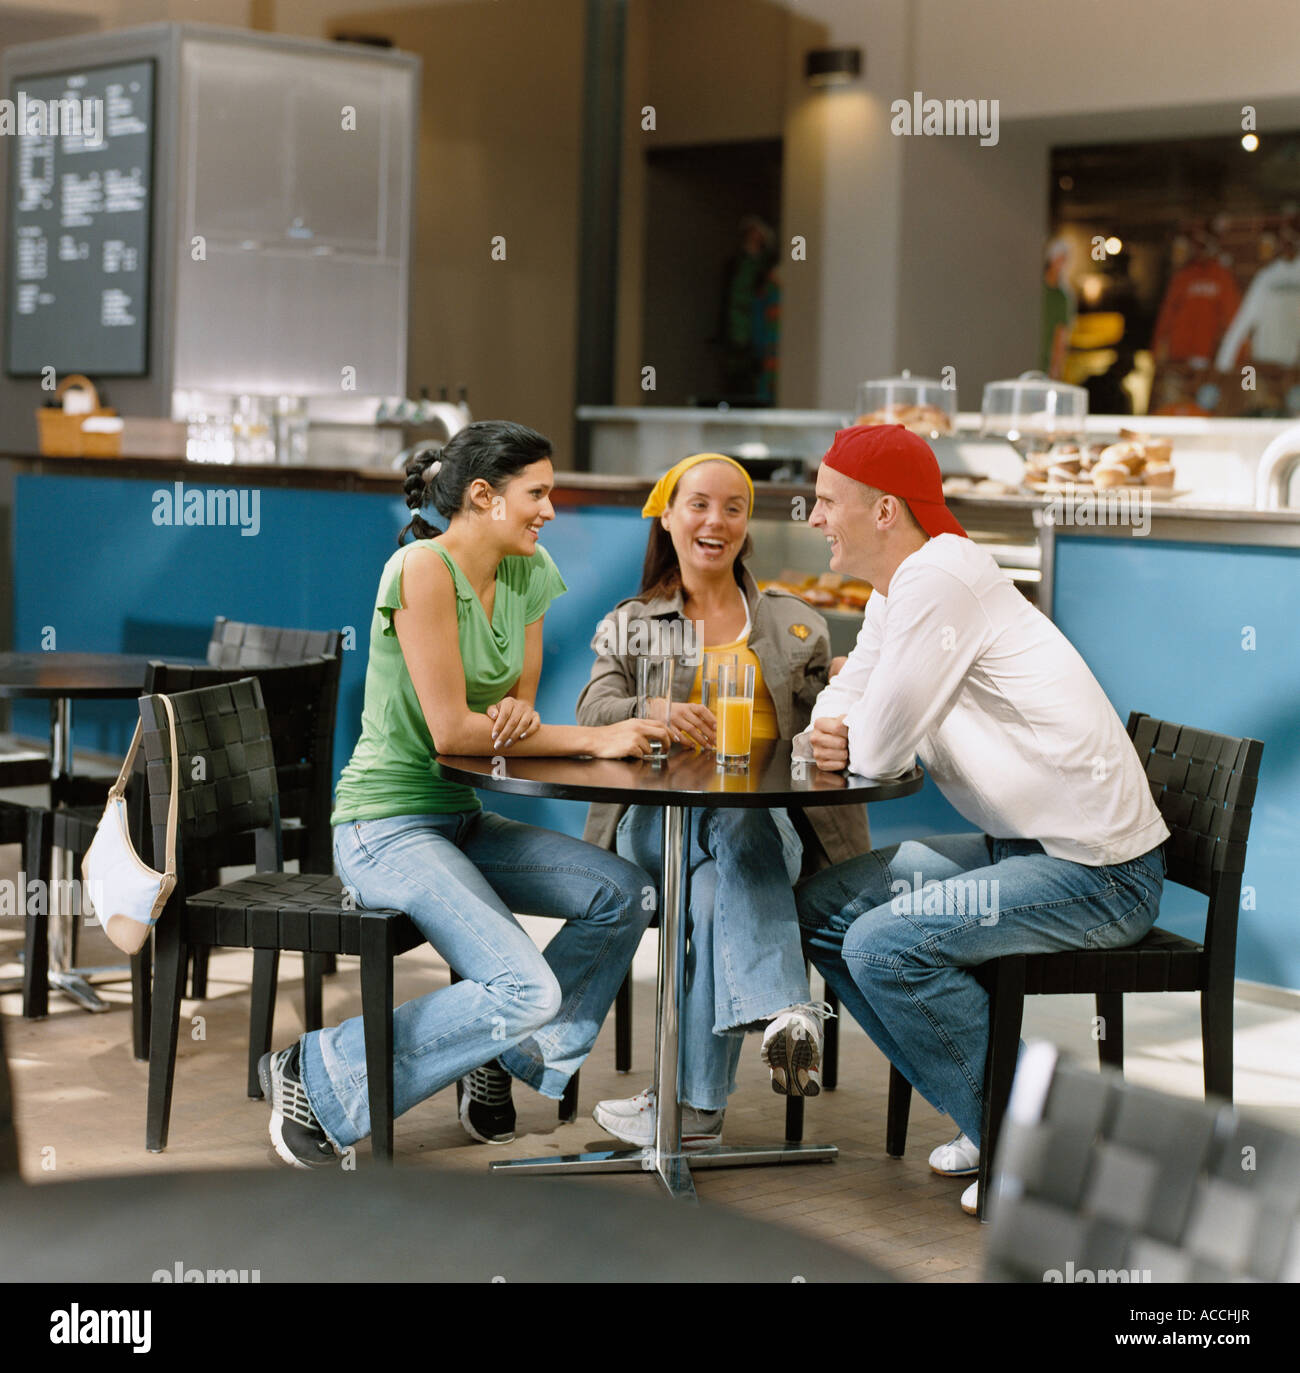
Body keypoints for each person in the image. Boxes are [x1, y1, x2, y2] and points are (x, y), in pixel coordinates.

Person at [258, 421, 669, 1167]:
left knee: (628, 893)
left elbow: (515, 720)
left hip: (461, 816)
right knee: (525, 989)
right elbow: (455, 733)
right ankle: (318, 1075)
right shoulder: (419, 568)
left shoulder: (530, 572)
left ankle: (499, 1052)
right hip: (384, 825)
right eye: (536, 492)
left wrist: (517, 722)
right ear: (483, 495)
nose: (550, 508)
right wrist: (597, 736)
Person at [793, 424, 1169, 1214]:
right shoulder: (901, 588)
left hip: (1094, 872)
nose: (814, 516)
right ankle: (991, 1112)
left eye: (827, 501)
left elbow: (882, 745)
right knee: (823, 911)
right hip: (1020, 851)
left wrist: (851, 734)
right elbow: (846, 700)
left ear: (885, 509)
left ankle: (1039, 1150)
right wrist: (838, 727)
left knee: (884, 943)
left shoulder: (940, 579)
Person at [575, 452, 870, 1150]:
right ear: (669, 517)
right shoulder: (636, 619)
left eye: (734, 507)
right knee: (723, 822)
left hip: (768, 832)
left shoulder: (795, 623)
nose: (717, 520)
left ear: (747, 523)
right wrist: (653, 710)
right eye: (699, 504)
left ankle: (692, 1115)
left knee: (715, 886)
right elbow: (593, 710)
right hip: (655, 826)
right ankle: (783, 1007)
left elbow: (826, 730)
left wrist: (847, 696)